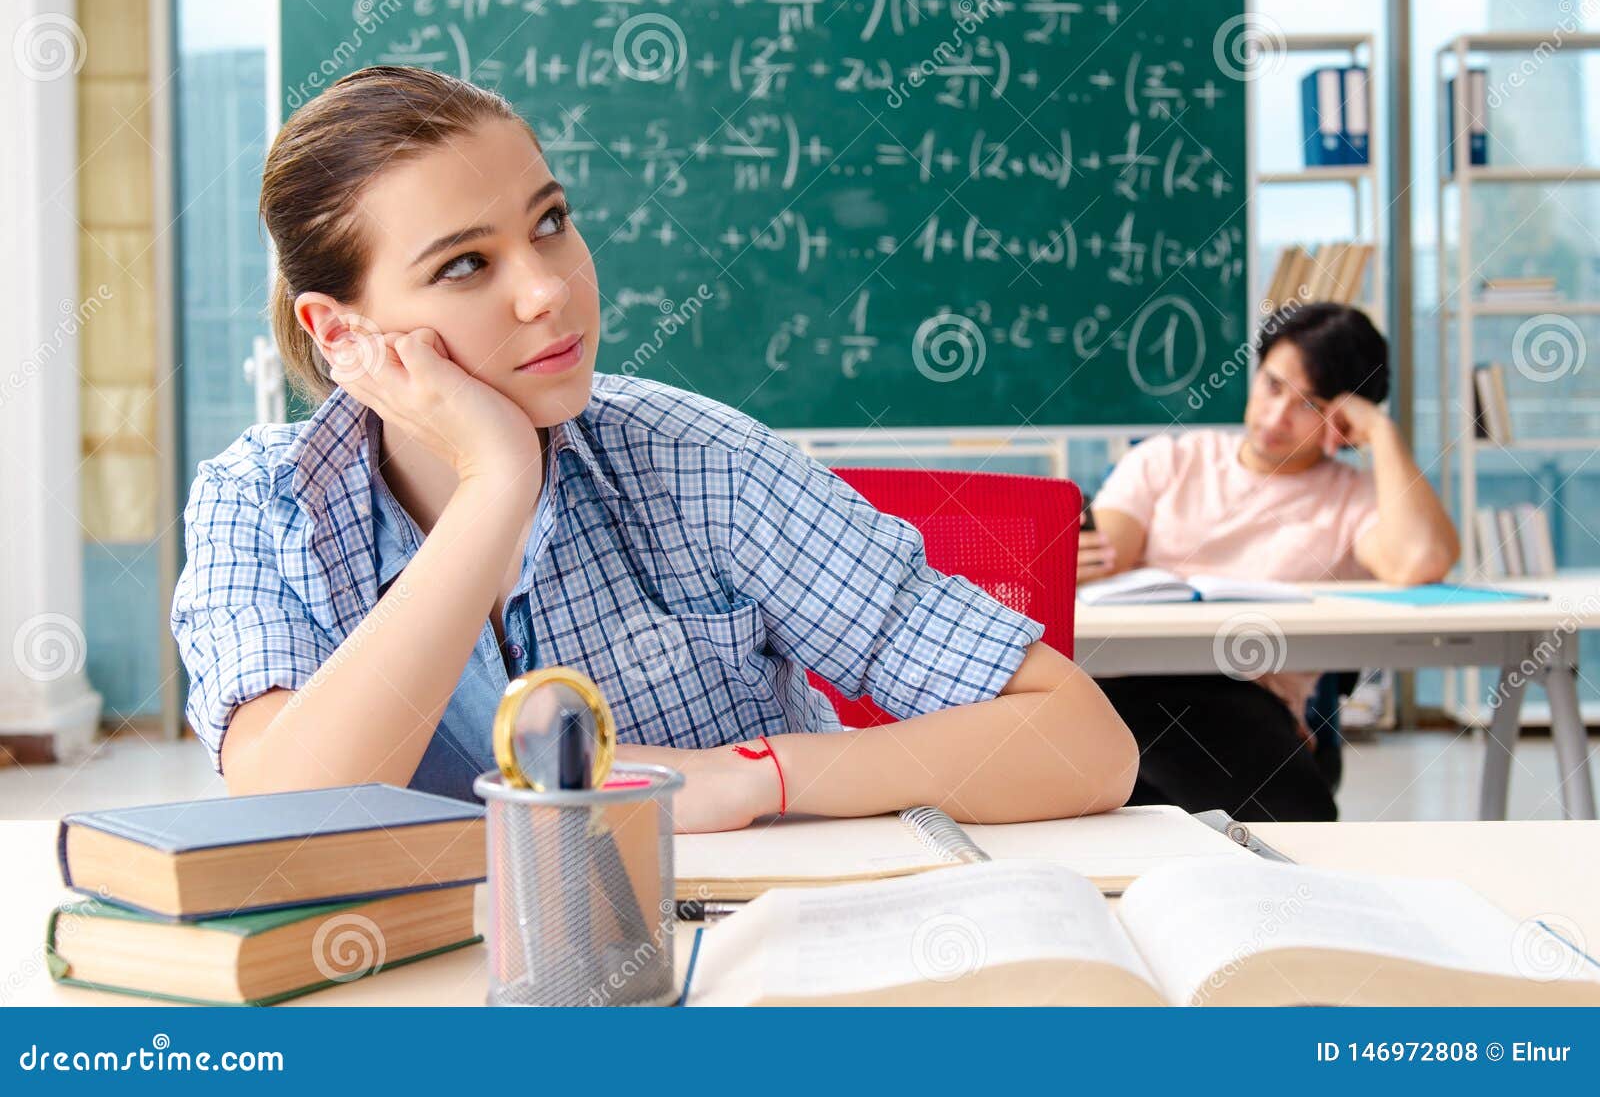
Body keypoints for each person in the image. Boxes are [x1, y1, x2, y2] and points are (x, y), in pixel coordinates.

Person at [171, 65, 1137, 832]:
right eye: (466, 264)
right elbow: (287, 824)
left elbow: (1086, 746)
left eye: (550, 223)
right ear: (341, 334)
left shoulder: (693, 460)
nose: (547, 288)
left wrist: (763, 775)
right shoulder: (259, 504)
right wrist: (494, 482)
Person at [1078, 303, 1459, 821]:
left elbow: (1421, 559)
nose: (1277, 417)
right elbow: (1102, 557)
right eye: (1273, 385)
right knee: (1288, 812)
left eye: (1310, 403)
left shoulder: (1352, 498)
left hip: (1244, 699)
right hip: (1127, 678)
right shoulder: (1167, 460)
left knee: (1278, 806)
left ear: (1344, 418)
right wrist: (1068, 557)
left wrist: (1383, 434)